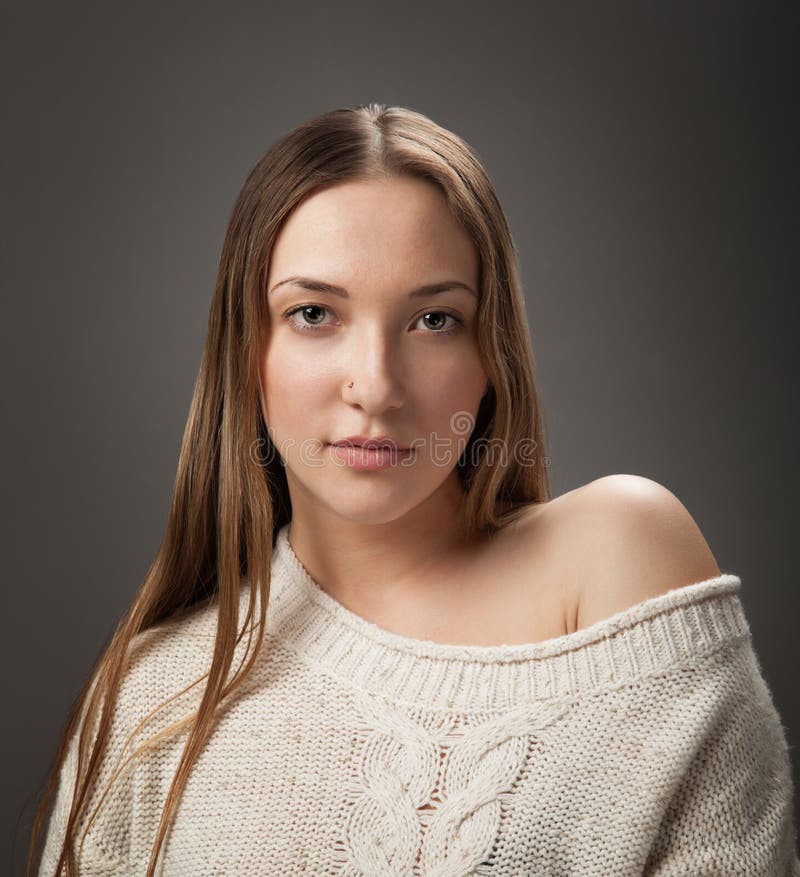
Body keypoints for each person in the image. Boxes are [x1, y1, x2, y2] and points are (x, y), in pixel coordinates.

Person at [30, 104, 800, 876]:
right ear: (247, 349)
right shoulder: (155, 695)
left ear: (491, 353)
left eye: (433, 318)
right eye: (313, 313)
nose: (375, 385)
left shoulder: (617, 559)